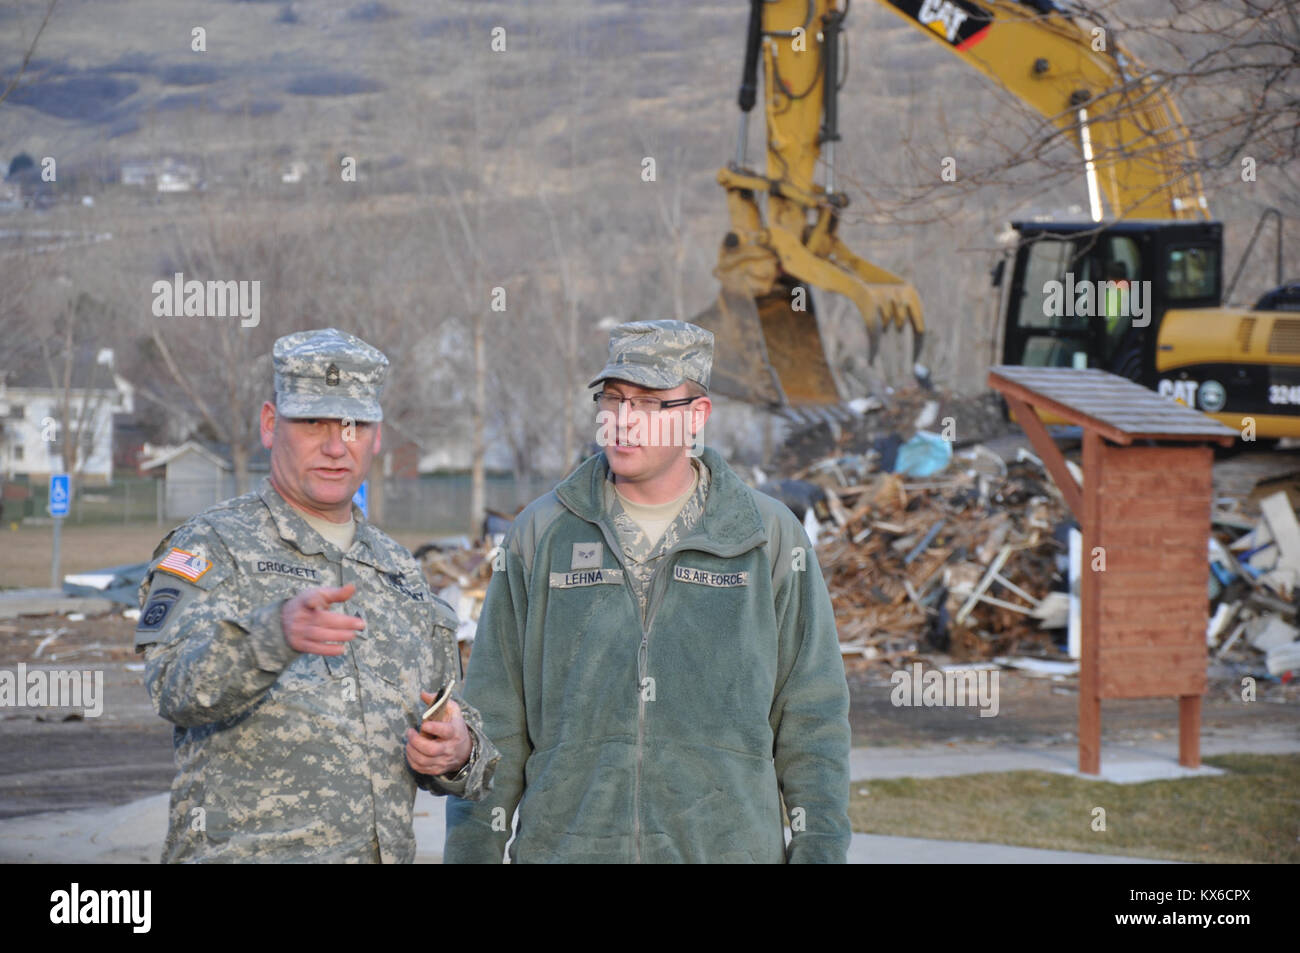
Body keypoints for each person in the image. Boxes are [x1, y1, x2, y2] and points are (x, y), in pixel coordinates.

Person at [444, 319, 850, 863]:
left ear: (696, 417)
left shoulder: (765, 538)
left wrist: (819, 853)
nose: (623, 422)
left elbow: (813, 719)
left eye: (649, 403)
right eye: (613, 399)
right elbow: (494, 719)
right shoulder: (541, 534)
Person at [135, 328, 499, 863]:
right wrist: (271, 636)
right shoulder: (210, 545)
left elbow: (458, 730)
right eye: (312, 424)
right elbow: (172, 688)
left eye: (354, 426)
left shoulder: (398, 569)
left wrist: (459, 752)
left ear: (376, 436)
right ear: (268, 424)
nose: (335, 446)